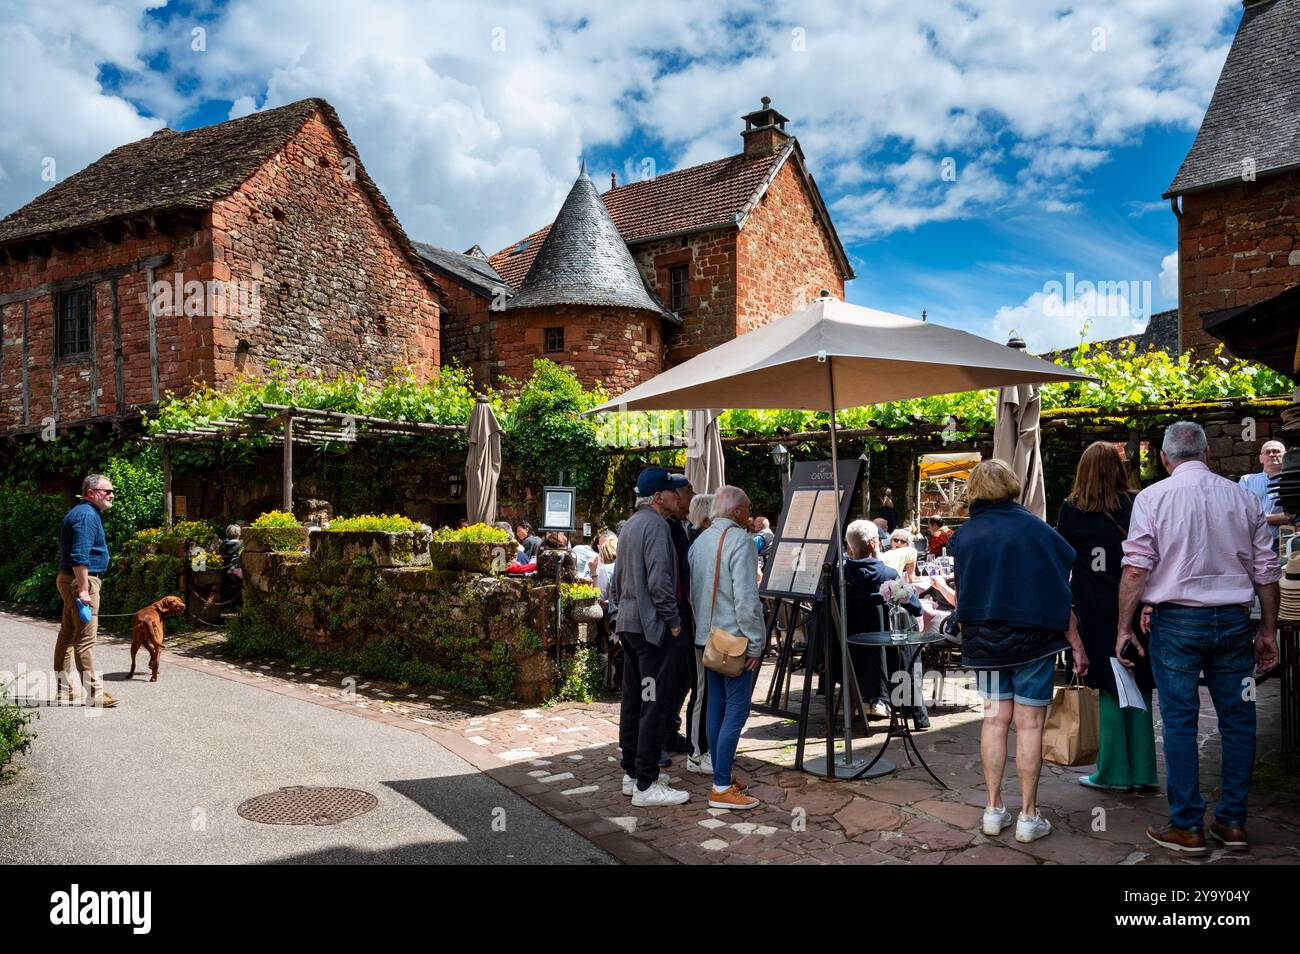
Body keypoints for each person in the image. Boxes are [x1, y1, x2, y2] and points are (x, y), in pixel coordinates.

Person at [1119, 421, 1280, 855]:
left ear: (1164, 459)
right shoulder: (1244, 497)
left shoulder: (1152, 498)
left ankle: (1187, 826)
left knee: (1178, 722)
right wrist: (1267, 630)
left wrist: (1123, 627)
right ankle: (1232, 823)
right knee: (1239, 721)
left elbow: (1136, 568)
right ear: (1208, 454)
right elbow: (1266, 571)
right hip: (1232, 621)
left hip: (1175, 623)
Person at [949, 459, 1088, 845]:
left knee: (994, 721)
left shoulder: (965, 536)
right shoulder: (1037, 529)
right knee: (1029, 725)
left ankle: (993, 810)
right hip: (1034, 640)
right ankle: (1028, 815)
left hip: (985, 641)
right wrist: (1075, 641)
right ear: (1011, 486)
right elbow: (1063, 587)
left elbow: (962, 592)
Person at [1056, 442, 1157, 792]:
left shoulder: (1071, 510)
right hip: (1136, 601)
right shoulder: (1138, 503)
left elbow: (1063, 560)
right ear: (1118, 468)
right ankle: (1144, 771)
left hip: (1093, 606)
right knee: (1140, 681)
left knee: (1109, 685)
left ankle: (1113, 772)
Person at [610, 467, 692, 806]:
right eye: (673, 491)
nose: (678, 496)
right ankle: (646, 782)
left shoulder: (630, 525)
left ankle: (632, 773)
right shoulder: (657, 526)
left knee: (633, 700)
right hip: (652, 630)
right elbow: (660, 582)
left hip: (629, 626)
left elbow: (616, 581)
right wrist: (673, 621)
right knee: (653, 703)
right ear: (658, 497)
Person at [688, 485, 764, 810]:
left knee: (716, 707)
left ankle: (720, 776)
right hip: (734, 642)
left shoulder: (699, 541)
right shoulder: (741, 542)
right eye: (748, 508)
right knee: (737, 710)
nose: (750, 513)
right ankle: (721, 786)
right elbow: (747, 600)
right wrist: (756, 643)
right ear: (736, 511)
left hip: (706, 640)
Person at [841, 519, 928, 728]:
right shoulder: (888, 575)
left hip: (848, 648)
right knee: (910, 632)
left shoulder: (839, 575)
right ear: (872, 543)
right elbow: (916, 607)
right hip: (886, 652)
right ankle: (914, 710)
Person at [55, 474, 117, 708]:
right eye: (106, 491)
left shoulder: (82, 513)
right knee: (85, 639)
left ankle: (65, 690)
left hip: (71, 579)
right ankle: (95, 694)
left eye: (112, 491)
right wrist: (83, 589)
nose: (111, 495)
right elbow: (80, 555)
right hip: (83, 580)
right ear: (90, 493)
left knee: (67, 636)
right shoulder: (86, 516)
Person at [1238, 439, 1294, 554]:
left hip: (1283, 541)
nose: (1272, 454)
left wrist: (1257, 518)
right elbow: (1240, 512)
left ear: (1285, 456)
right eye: (1267, 452)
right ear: (1260, 458)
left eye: (1276, 451)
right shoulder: (1246, 480)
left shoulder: (1294, 481)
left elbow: (1293, 515)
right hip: (1253, 542)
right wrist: (1278, 518)